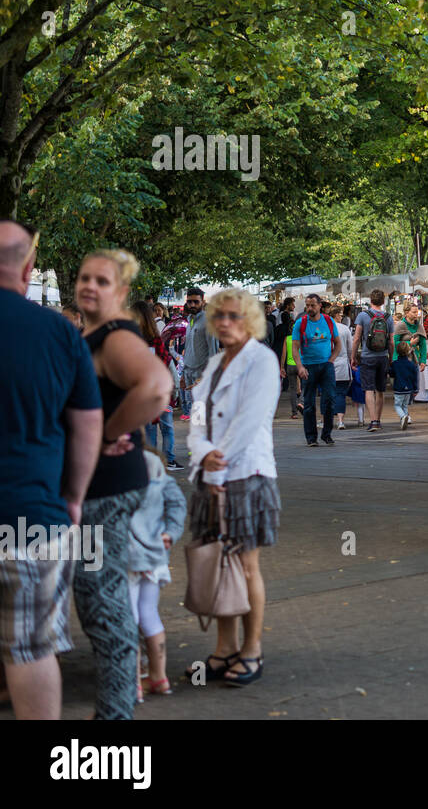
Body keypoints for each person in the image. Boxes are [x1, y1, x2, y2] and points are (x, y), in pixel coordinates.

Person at [0, 221, 103, 719]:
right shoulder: (60, 332)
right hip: (33, 518)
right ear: (27, 269)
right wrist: (75, 498)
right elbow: (87, 426)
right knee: (29, 649)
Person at [75, 249, 174, 719]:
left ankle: (115, 716)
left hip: (107, 489)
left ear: (122, 292)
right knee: (99, 599)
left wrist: (109, 432)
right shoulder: (94, 334)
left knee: (103, 603)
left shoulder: (115, 337)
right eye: (84, 278)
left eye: (102, 280)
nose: (90, 286)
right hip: (102, 488)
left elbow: (157, 387)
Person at [186, 288, 281, 686]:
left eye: (234, 316)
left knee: (244, 565)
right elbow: (196, 417)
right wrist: (203, 454)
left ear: (251, 320)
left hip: (246, 475)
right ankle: (225, 648)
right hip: (211, 476)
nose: (225, 322)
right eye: (219, 316)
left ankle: (252, 649)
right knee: (218, 561)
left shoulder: (261, 361)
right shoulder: (213, 365)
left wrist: (216, 463)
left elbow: (248, 422)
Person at [127, 448, 186, 698]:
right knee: (149, 615)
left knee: (128, 620)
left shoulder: (118, 468)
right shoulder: (160, 472)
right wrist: (171, 533)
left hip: (126, 557)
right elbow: (178, 504)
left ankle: (133, 685)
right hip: (154, 555)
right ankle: (159, 677)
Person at [132, 301, 181, 470]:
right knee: (167, 429)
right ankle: (168, 461)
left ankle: (153, 464)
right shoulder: (157, 342)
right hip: (163, 395)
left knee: (151, 430)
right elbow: (169, 364)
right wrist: (174, 393)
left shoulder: (131, 343)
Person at [291, 293, 340, 447]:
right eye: (307, 305)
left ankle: (327, 434)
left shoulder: (329, 321)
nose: (309, 308)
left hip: (326, 366)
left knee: (330, 400)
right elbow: (295, 347)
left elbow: (338, 344)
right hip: (308, 367)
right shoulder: (301, 323)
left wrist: (331, 360)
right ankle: (311, 437)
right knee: (309, 404)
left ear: (320, 306)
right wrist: (300, 366)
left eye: (312, 305)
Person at [352, 290, 395, 432]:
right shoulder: (388, 317)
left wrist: (353, 356)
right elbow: (392, 342)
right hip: (383, 357)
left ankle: (373, 421)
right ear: (383, 301)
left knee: (368, 389)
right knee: (380, 390)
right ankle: (378, 420)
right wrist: (390, 358)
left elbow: (357, 338)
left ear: (370, 300)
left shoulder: (363, 316)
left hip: (367, 356)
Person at [181, 288, 220, 416]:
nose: (192, 305)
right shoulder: (190, 321)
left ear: (203, 302)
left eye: (196, 302)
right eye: (189, 301)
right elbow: (188, 349)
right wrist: (183, 374)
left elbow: (213, 352)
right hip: (189, 375)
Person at [329, 305, 352, 431]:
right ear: (336, 315)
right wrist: (351, 359)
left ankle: (326, 419)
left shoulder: (326, 328)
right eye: (340, 315)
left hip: (328, 365)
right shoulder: (344, 329)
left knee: (328, 394)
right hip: (343, 365)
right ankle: (341, 421)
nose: (341, 317)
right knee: (340, 394)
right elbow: (350, 348)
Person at [391, 341, 419, 430]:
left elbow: (391, 374)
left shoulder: (395, 364)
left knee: (397, 405)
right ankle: (407, 418)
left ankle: (403, 417)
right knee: (405, 405)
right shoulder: (411, 364)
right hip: (409, 389)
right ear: (408, 351)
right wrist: (415, 389)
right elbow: (415, 377)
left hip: (399, 388)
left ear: (397, 351)